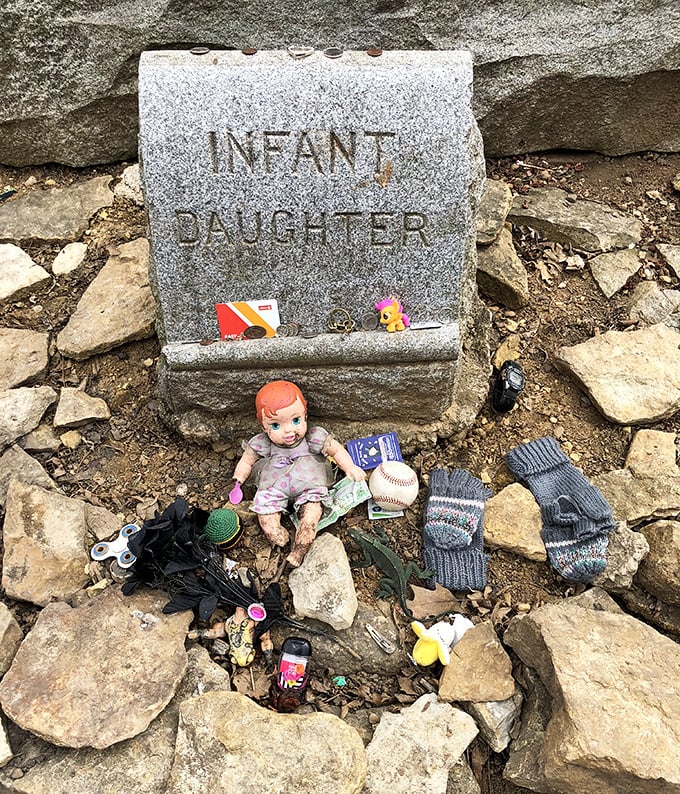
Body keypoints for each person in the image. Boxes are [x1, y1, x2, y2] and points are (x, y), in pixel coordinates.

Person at [232, 380, 366, 566]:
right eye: (276, 426)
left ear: (305, 415)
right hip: (274, 482)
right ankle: (277, 534)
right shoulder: (263, 443)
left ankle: (299, 549)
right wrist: (239, 477)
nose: (289, 430)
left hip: (309, 482)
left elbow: (336, 450)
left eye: (295, 421)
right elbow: (247, 460)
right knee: (265, 513)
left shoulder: (313, 436)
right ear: (263, 426)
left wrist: (349, 467)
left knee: (312, 514)